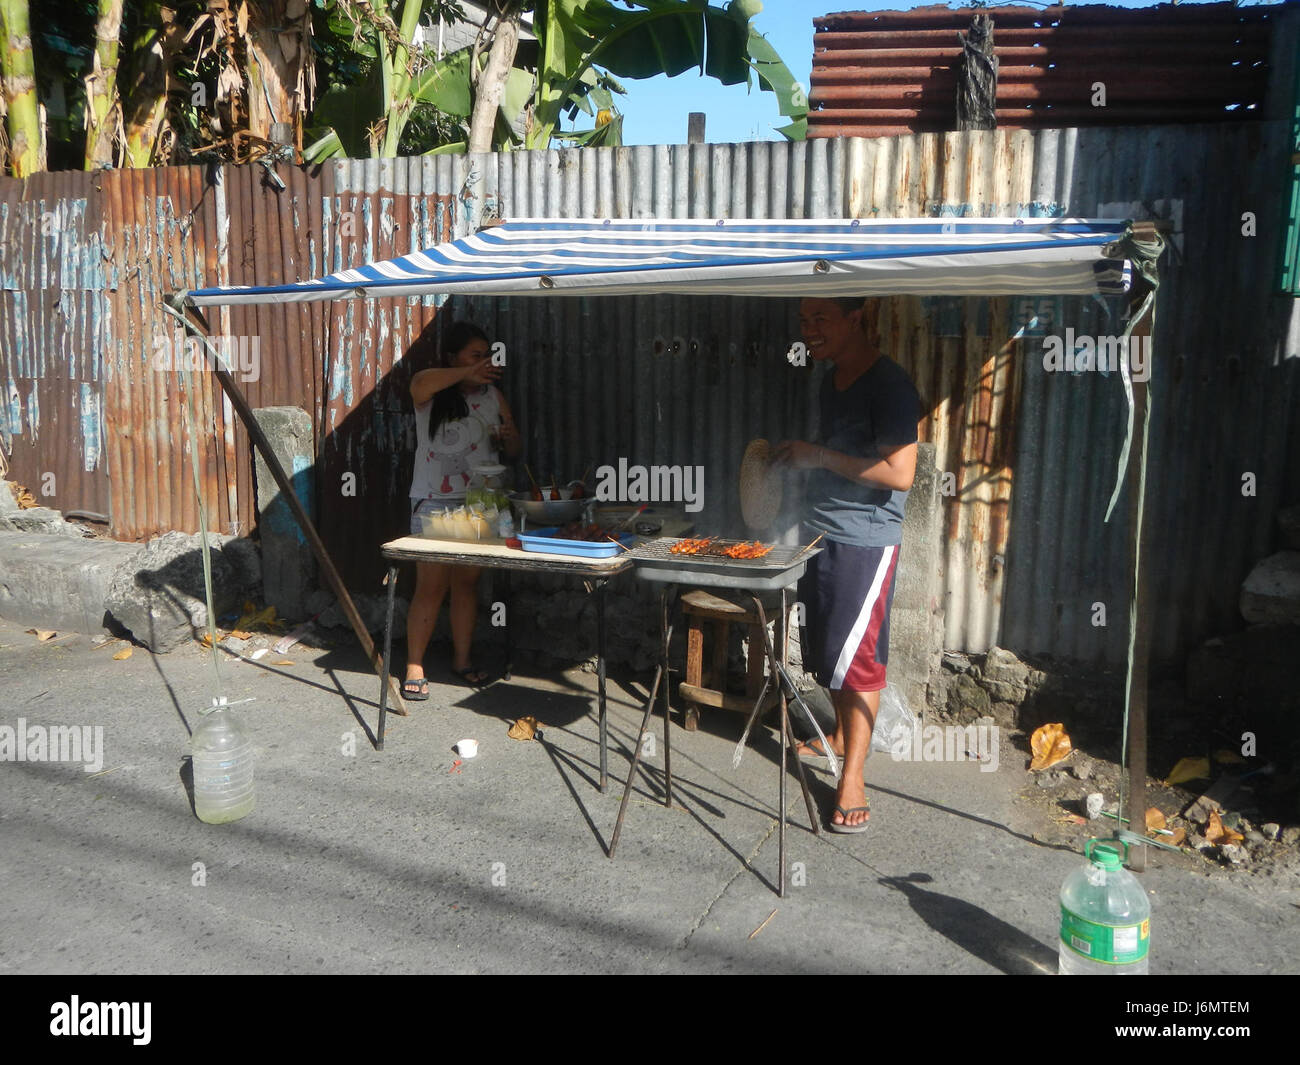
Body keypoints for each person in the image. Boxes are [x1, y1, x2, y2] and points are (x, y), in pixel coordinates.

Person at [774, 296, 920, 833]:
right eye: (803, 319)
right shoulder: (831, 379)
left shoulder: (889, 384)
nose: (809, 329)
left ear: (855, 319)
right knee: (830, 652)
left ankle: (853, 778)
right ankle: (838, 736)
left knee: (858, 660)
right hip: (822, 529)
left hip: (864, 540)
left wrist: (817, 456)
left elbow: (900, 473)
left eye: (821, 318)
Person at [403, 320, 521, 696]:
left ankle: (462, 660)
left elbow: (514, 451)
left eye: (487, 356)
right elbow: (417, 384)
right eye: (475, 356)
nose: (485, 363)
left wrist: (509, 437)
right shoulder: (433, 391)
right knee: (431, 585)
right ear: (453, 357)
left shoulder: (493, 396)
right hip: (435, 500)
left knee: (467, 584)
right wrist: (465, 374)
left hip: (481, 502)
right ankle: (414, 665)